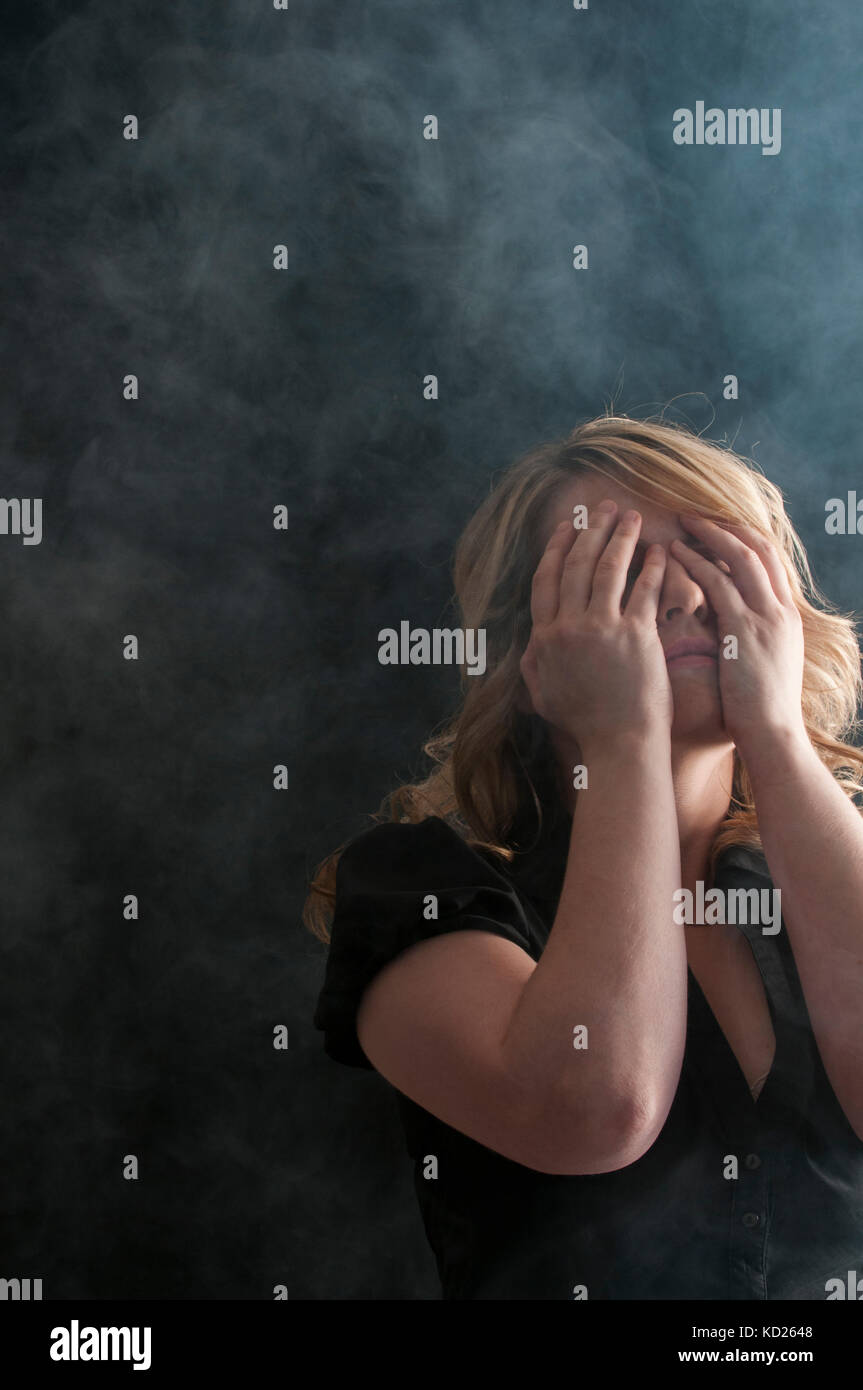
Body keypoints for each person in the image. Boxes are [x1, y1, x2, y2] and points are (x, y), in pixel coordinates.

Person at [305, 412, 863, 1300]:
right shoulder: (421, 885)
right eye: (621, 568)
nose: (681, 596)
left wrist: (780, 736)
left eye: (711, 554)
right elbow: (593, 1109)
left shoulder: (833, 868)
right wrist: (620, 735)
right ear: (529, 649)